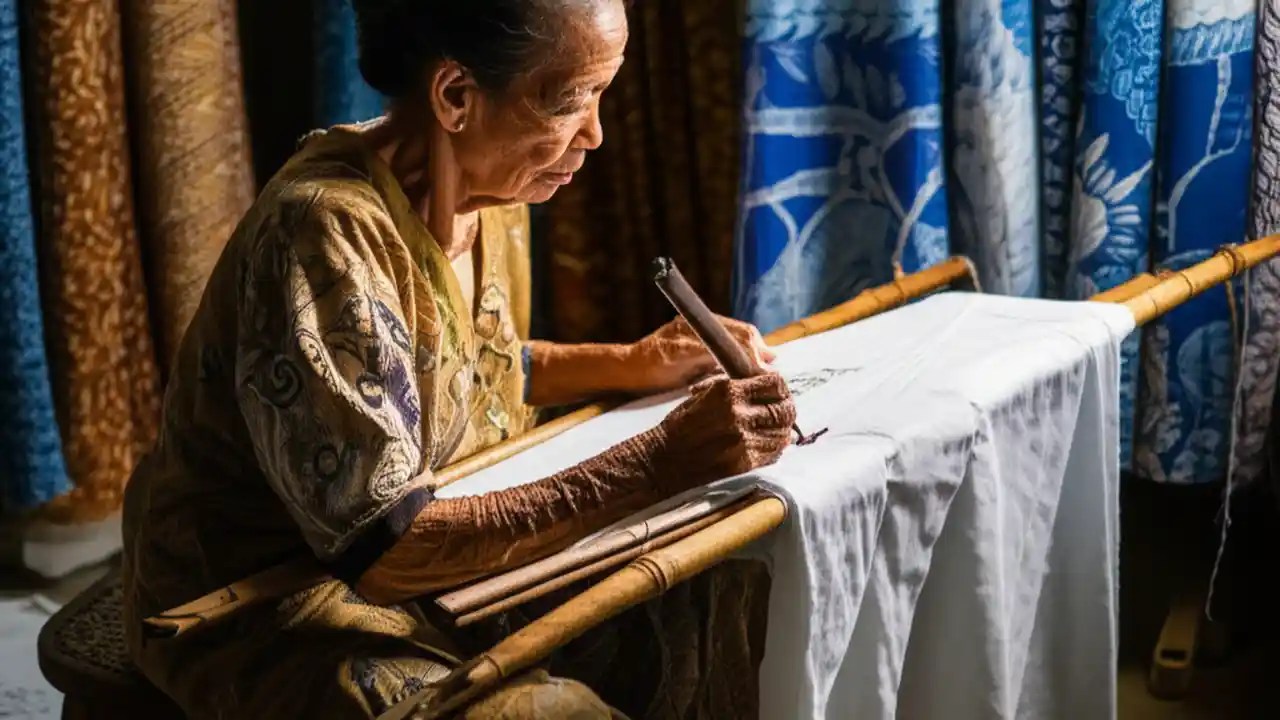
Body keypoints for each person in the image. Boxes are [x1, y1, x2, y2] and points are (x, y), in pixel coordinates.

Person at [119, 0, 797, 717]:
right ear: (455, 97)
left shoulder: (483, 190)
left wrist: (632, 361)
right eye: (570, 101)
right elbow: (386, 549)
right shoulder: (323, 231)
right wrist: (662, 459)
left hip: (425, 565)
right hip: (274, 596)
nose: (595, 133)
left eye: (602, 93)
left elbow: (462, 367)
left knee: (724, 616)